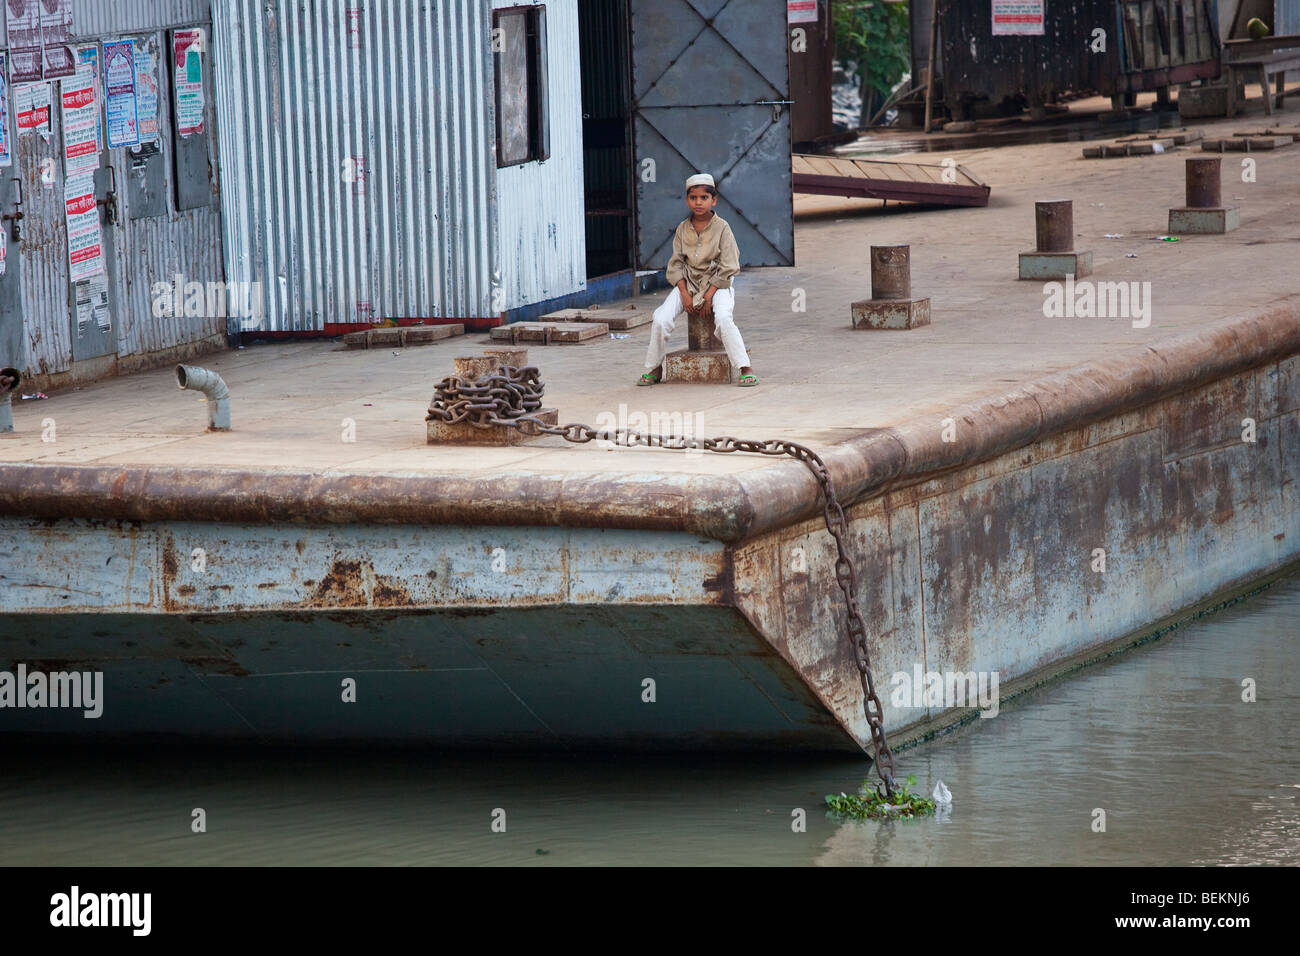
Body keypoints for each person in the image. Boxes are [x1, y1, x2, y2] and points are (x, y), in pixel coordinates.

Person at [637, 174, 757, 387]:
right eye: (693, 197)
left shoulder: (723, 228)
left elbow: (729, 266)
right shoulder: (683, 229)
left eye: (704, 197)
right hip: (689, 283)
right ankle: (654, 367)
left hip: (719, 284)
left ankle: (744, 367)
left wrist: (709, 295)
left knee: (723, 318)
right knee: (660, 318)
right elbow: (675, 265)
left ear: (714, 200)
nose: (698, 202)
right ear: (687, 200)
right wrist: (683, 293)